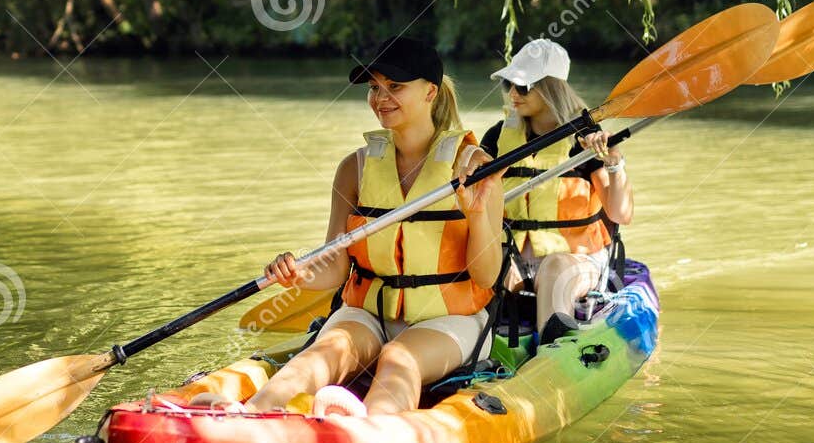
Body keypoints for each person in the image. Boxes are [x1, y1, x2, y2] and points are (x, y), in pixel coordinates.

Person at [197, 37, 505, 417]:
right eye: (375, 87)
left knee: (398, 358)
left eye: (395, 87)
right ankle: (245, 418)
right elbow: (336, 266)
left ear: (430, 92)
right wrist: (298, 275)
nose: (381, 98)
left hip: (450, 320)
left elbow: (487, 275)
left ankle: (369, 439)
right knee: (323, 354)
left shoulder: (475, 165)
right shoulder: (353, 169)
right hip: (370, 312)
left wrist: (475, 213)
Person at [481, 39, 633, 342]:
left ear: (550, 87)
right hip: (514, 255)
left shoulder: (587, 140)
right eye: (509, 85)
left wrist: (613, 163)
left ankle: (554, 351)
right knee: (483, 264)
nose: (512, 94)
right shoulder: (499, 136)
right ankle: (472, 347)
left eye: (522, 87)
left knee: (554, 268)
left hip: (577, 259)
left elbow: (621, 213)